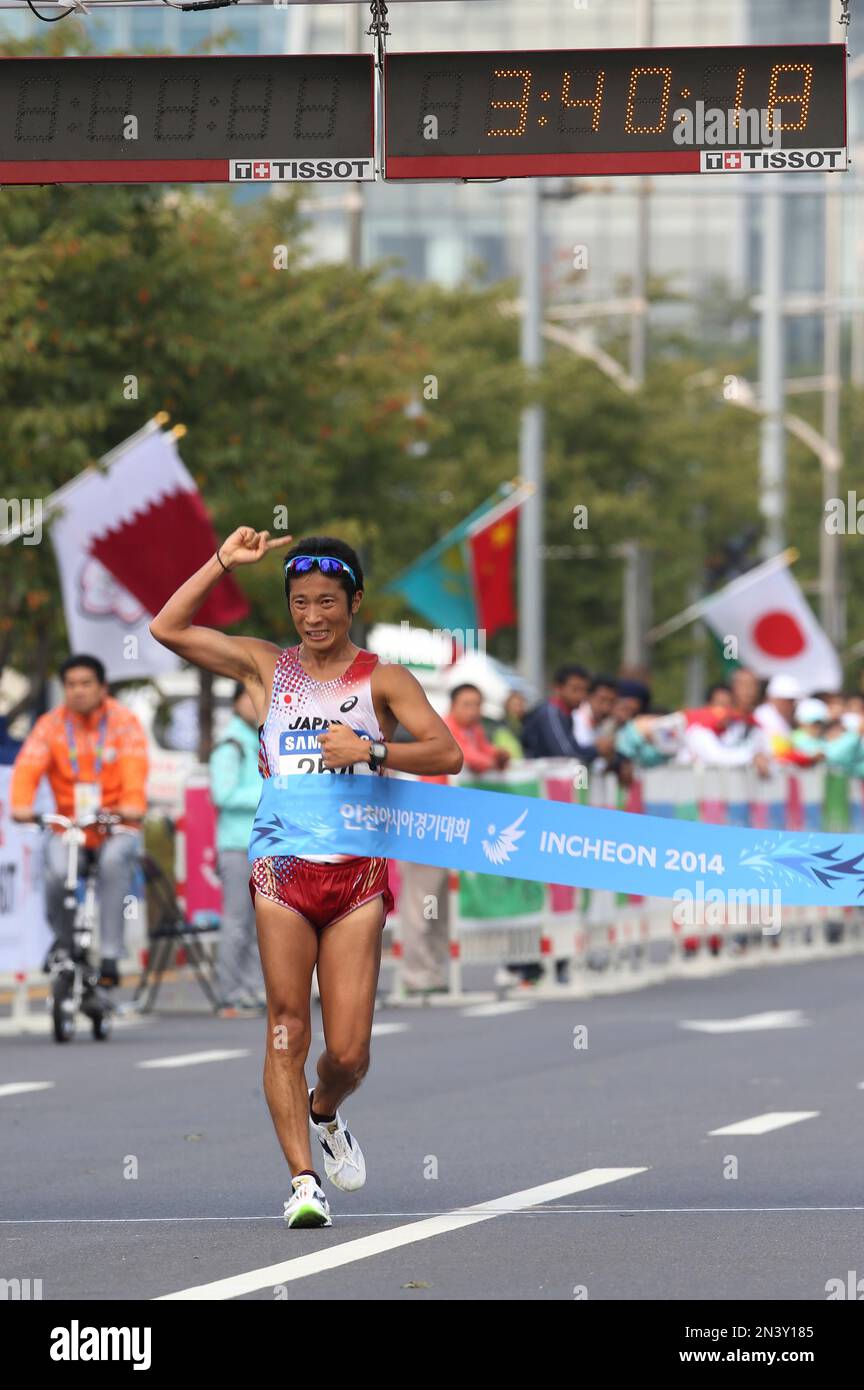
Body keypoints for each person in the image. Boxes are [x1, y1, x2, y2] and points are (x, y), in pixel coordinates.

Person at [149, 529, 462, 1230]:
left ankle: (326, 1110)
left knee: (348, 1053)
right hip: (280, 868)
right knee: (286, 1027)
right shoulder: (267, 667)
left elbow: (449, 752)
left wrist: (372, 747)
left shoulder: (384, 678)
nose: (313, 616)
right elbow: (166, 627)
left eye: (327, 602)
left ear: (354, 602)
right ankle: (301, 1181)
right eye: (299, 603)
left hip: (355, 876)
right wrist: (222, 562)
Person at [10, 654, 148, 991]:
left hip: (116, 825)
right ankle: (62, 943)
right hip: (69, 827)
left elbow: (134, 770)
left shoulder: (123, 722)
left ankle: (112, 955)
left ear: (102, 687)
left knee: (116, 861)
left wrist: (131, 805)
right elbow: (27, 767)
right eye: (70, 685)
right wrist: (20, 805)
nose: (78, 691)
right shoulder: (51, 725)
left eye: (86, 684)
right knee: (56, 872)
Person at [399, 682, 506, 998]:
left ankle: (433, 972)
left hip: (451, 833)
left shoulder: (476, 732)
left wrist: (497, 756)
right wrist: (492, 760)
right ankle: (415, 975)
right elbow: (468, 758)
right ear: (453, 705)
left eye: (478, 705)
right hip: (426, 829)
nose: (473, 711)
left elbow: (487, 754)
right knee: (420, 907)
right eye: (467, 704)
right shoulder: (444, 729)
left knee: (442, 908)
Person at [210, 683, 267, 1017]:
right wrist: (271, 792)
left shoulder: (257, 739)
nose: (258, 702)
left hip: (265, 844)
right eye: (249, 696)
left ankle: (253, 990)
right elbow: (223, 794)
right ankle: (230, 994)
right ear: (234, 703)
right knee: (236, 923)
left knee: (264, 925)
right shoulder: (230, 743)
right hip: (237, 845)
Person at [521, 665, 602, 762]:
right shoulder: (550, 712)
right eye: (575, 689)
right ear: (558, 688)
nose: (581, 696)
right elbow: (566, 753)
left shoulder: (565, 714)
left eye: (584, 690)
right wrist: (597, 750)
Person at [492, 689, 526, 761]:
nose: (518, 709)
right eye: (515, 705)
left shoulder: (525, 723)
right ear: (507, 706)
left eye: (520, 705)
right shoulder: (501, 728)